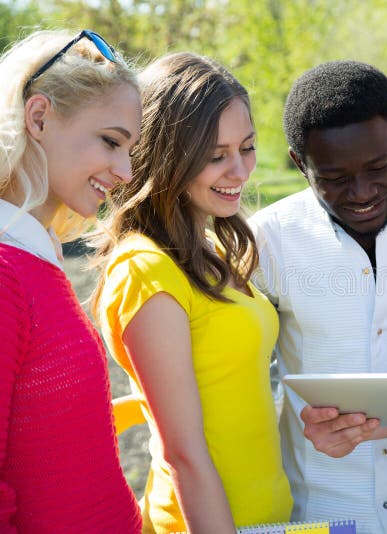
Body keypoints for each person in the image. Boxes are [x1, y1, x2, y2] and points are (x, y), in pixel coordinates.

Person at [248, 60, 387, 533]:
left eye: (378, 166)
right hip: (320, 516)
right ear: (299, 162)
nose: (362, 192)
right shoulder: (266, 242)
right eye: (335, 178)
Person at [92, 52, 292, 533]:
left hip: (267, 519)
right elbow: (183, 451)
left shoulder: (207, 247)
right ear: (167, 157)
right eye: (215, 156)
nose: (240, 171)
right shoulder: (145, 269)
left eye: (246, 147)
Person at [0, 29, 142, 531]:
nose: (125, 171)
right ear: (38, 117)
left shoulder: (37, 258)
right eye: (111, 142)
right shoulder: (5, 273)